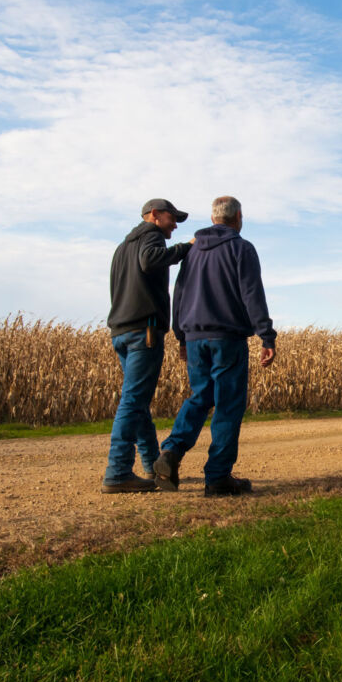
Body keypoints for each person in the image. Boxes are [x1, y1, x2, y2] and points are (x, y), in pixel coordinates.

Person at [150, 195, 276, 496]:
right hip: (227, 336)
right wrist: (266, 335)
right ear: (238, 218)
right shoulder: (241, 248)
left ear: (212, 218)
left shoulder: (192, 250)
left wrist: (181, 335)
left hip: (194, 337)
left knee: (201, 396)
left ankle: (170, 451)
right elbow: (251, 293)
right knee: (229, 405)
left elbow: (179, 293)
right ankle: (218, 477)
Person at [101, 198, 192, 493]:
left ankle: (154, 466)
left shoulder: (122, 247)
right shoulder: (149, 236)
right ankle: (117, 473)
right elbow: (151, 260)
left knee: (137, 402)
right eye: (171, 218)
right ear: (154, 215)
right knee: (132, 402)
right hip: (145, 331)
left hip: (121, 330)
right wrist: (187, 248)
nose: (174, 225)